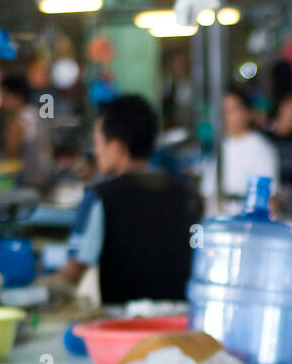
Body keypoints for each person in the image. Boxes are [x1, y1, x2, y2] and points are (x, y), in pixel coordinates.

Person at [56, 94, 202, 305]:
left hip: (124, 325)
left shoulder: (100, 197)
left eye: (98, 143)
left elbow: (71, 275)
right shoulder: (187, 194)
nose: (96, 152)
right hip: (179, 322)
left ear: (116, 147)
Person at [201, 87, 279, 212]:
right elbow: (207, 192)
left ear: (248, 113)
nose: (227, 116)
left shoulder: (260, 148)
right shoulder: (219, 145)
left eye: (233, 110)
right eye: (224, 110)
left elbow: (269, 198)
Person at [0, 74, 53, 190]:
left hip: (28, 181)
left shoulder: (19, 120)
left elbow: (11, 154)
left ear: (17, 97)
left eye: (4, 96)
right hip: (44, 179)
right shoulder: (35, 113)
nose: (2, 102)